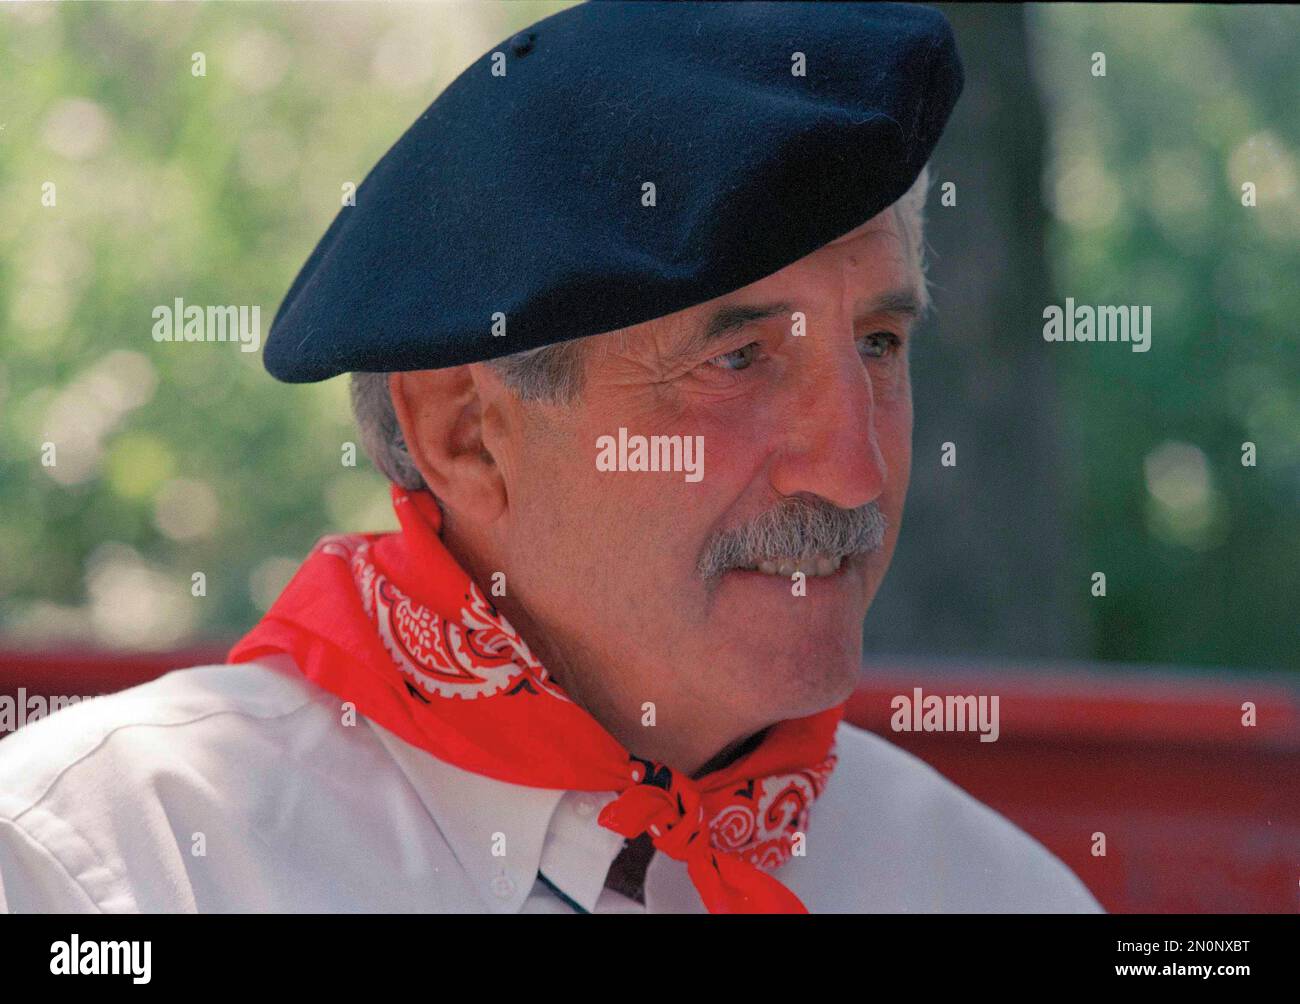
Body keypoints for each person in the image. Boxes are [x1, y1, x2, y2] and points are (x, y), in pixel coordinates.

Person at [0, 1, 1100, 914]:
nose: (853, 473)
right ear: (466, 434)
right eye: (737, 357)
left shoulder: (988, 890)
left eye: (878, 343)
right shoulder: (103, 865)